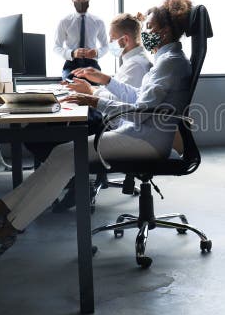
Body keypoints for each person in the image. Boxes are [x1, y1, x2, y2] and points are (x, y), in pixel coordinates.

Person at [0, 0, 194, 255]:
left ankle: (8, 225)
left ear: (164, 31)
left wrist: (94, 100)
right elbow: (140, 98)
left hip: (146, 141)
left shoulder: (170, 63)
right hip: (140, 135)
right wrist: (105, 82)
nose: (144, 32)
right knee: (62, 153)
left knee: (69, 154)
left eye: (149, 28)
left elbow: (140, 113)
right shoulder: (167, 60)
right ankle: (0, 214)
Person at [47, 12, 154, 211]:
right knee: (62, 121)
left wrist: (90, 92)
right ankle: (72, 182)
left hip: (116, 124)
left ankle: (75, 184)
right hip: (113, 118)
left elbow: (125, 102)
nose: (109, 43)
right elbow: (117, 92)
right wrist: (89, 89)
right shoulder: (132, 61)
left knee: (53, 131)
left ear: (125, 39)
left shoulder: (137, 65)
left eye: (112, 39)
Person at [53, 0, 109, 80]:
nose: (81, 2)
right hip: (71, 65)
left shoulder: (98, 22)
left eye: (84, 0)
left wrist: (97, 53)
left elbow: (106, 46)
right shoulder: (64, 22)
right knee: (69, 87)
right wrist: (72, 53)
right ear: (72, 0)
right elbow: (56, 47)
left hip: (92, 64)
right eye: (78, 0)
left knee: (95, 89)